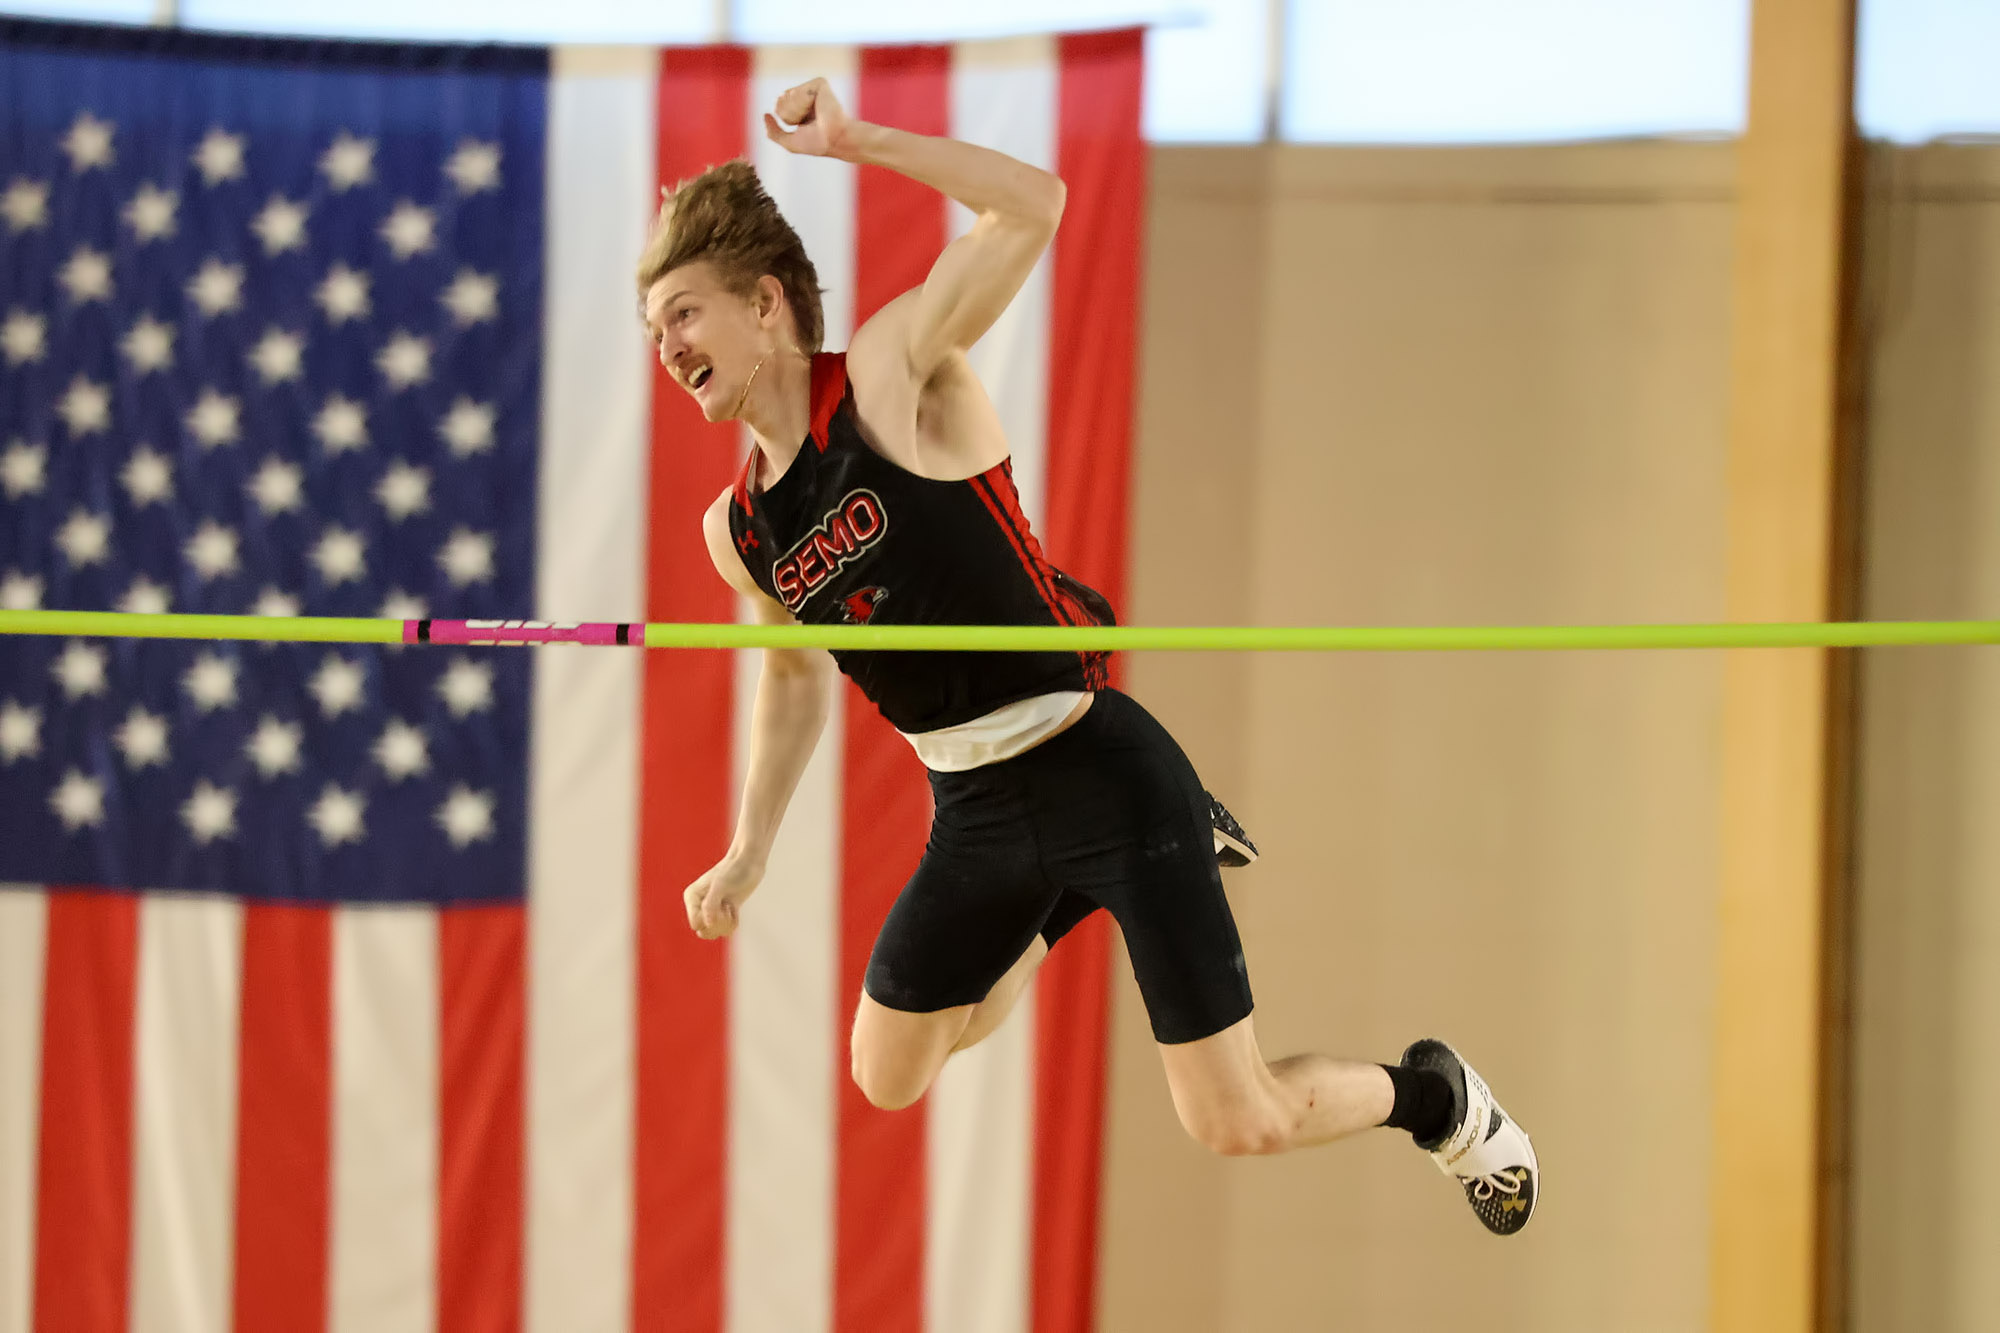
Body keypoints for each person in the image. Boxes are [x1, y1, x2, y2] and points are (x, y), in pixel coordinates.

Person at [635, 79, 1538, 1235]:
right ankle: (1063, 903)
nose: (667, 348)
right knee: (888, 1069)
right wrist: (746, 852)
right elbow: (795, 674)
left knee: (1235, 1117)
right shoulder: (738, 531)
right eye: (654, 330)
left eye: (684, 316)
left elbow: (1032, 208)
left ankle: (1434, 1100)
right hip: (972, 805)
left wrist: (856, 139)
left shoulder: (890, 375)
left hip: (1097, 766)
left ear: (765, 303)